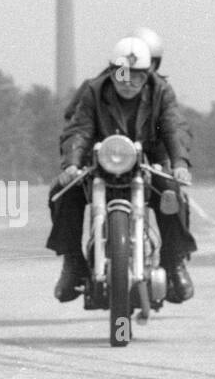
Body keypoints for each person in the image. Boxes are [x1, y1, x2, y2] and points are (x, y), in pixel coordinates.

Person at [48, 36, 197, 303]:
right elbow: (79, 128)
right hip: (102, 162)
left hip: (147, 162)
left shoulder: (161, 91)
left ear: (147, 74)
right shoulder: (94, 90)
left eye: (137, 76)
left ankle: (174, 264)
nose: (128, 82)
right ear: (111, 71)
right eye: (121, 74)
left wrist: (179, 164)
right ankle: (73, 264)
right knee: (62, 192)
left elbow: (175, 126)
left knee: (173, 194)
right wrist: (71, 163)